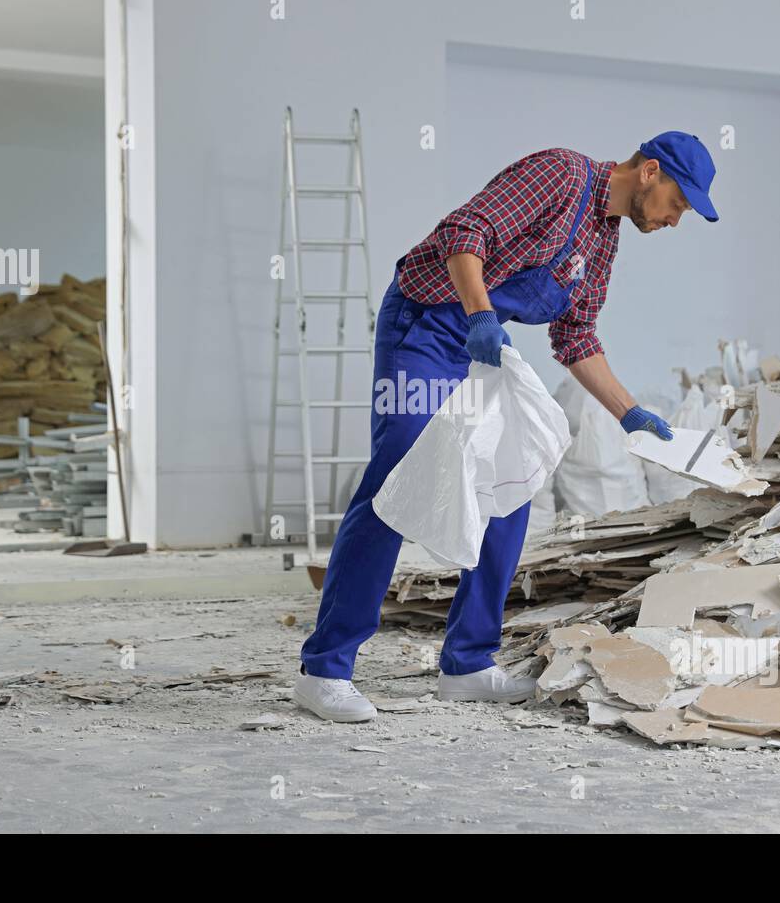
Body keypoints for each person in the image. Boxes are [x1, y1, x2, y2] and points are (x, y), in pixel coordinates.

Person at [294, 131, 719, 722]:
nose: (677, 220)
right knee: (397, 481)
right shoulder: (562, 175)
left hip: (481, 344)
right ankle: (326, 669)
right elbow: (463, 235)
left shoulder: (602, 242)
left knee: (512, 480)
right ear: (651, 172)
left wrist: (629, 412)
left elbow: (575, 337)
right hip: (426, 326)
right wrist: (482, 314)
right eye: (680, 203)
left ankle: (467, 662)